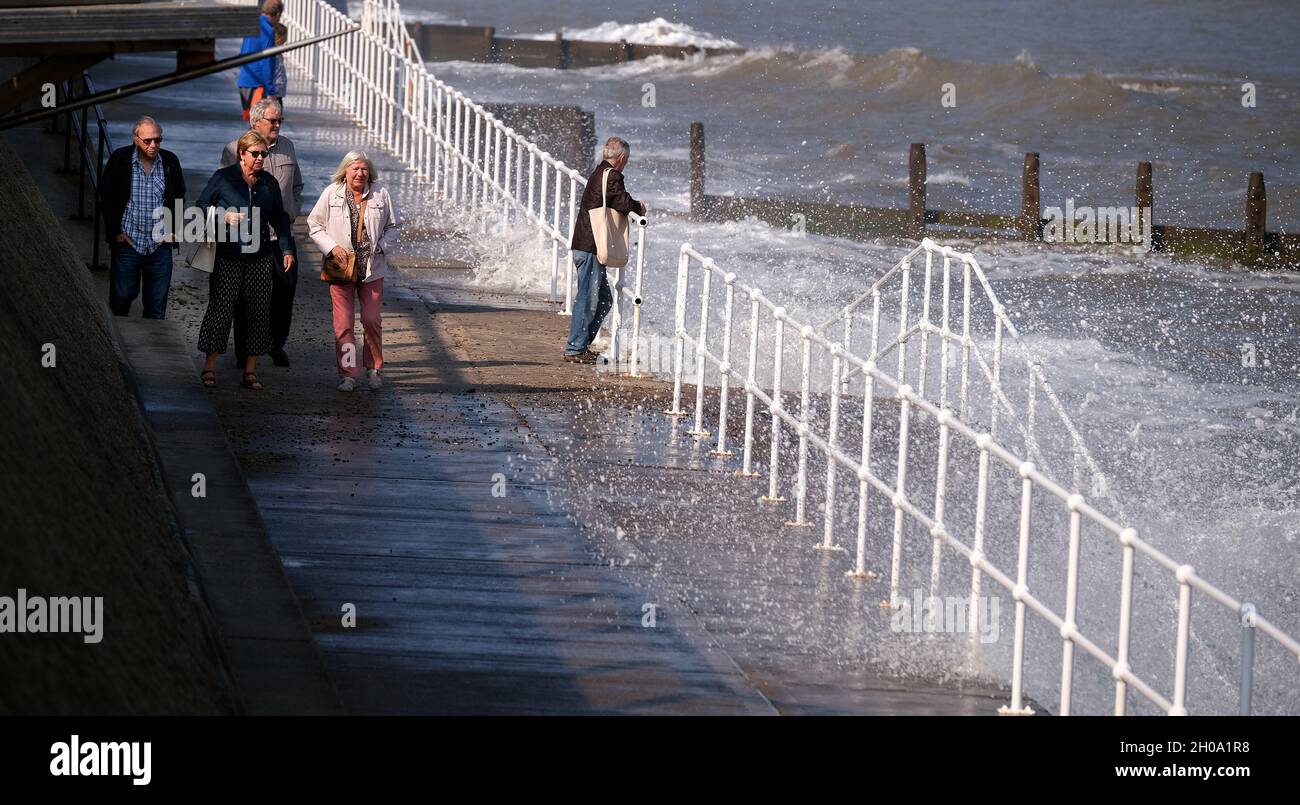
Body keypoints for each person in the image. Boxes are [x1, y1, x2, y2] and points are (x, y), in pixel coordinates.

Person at [195, 131, 296, 390]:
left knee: (258, 313)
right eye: (255, 154)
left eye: (263, 154)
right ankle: (209, 367)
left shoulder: (268, 183)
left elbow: (280, 218)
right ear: (242, 154)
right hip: (227, 256)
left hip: (260, 258)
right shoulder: (224, 178)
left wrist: (286, 250)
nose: (261, 158)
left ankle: (250, 372)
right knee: (221, 311)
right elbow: (201, 205)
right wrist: (222, 215)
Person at [307, 151, 402, 392]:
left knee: (371, 320)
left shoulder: (381, 193)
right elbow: (314, 225)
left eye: (364, 169)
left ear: (370, 172)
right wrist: (332, 247)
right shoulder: (332, 193)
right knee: (344, 325)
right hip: (341, 268)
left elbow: (395, 225)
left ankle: (373, 368)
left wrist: (382, 247)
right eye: (355, 169)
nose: (360, 173)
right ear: (345, 171)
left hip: (372, 269)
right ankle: (348, 373)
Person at [220, 97, 304, 367]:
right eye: (273, 120)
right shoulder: (234, 149)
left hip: (280, 235)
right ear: (256, 122)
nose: (278, 125)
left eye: (280, 120)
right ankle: (244, 352)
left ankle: (274, 343)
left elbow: (297, 186)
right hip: (248, 236)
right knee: (246, 296)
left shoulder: (288, 147)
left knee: (285, 288)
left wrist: (291, 211)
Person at [565, 136, 645, 363]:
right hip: (590, 246)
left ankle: (581, 344)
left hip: (586, 244)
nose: (626, 163)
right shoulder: (612, 177)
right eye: (626, 159)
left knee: (603, 300)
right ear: (621, 158)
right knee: (588, 298)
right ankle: (574, 348)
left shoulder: (599, 173)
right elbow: (622, 202)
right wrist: (639, 207)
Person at [99, 116, 186, 319]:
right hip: (128, 242)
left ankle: (155, 347)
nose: (153, 145)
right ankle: (116, 347)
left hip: (159, 245)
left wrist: (175, 232)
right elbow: (106, 196)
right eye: (147, 140)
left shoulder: (170, 161)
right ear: (135, 139)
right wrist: (115, 233)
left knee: (156, 308)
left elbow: (179, 195)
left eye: (158, 140)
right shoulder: (120, 159)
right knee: (121, 298)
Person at [237, 0, 282, 121]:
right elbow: (268, 60)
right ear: (277, 14)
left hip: (244, 81)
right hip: (257, 84)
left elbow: (242, 51)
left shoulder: (253, 24)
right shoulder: (268, 29)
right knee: (261, 125)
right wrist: (270, 91)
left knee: (253, 122)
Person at [269, 22, 289, 101]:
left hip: (277, 91)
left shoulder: (277, 54)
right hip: (274, 92)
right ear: (279, 39)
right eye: (283, 41)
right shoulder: (273, 54)